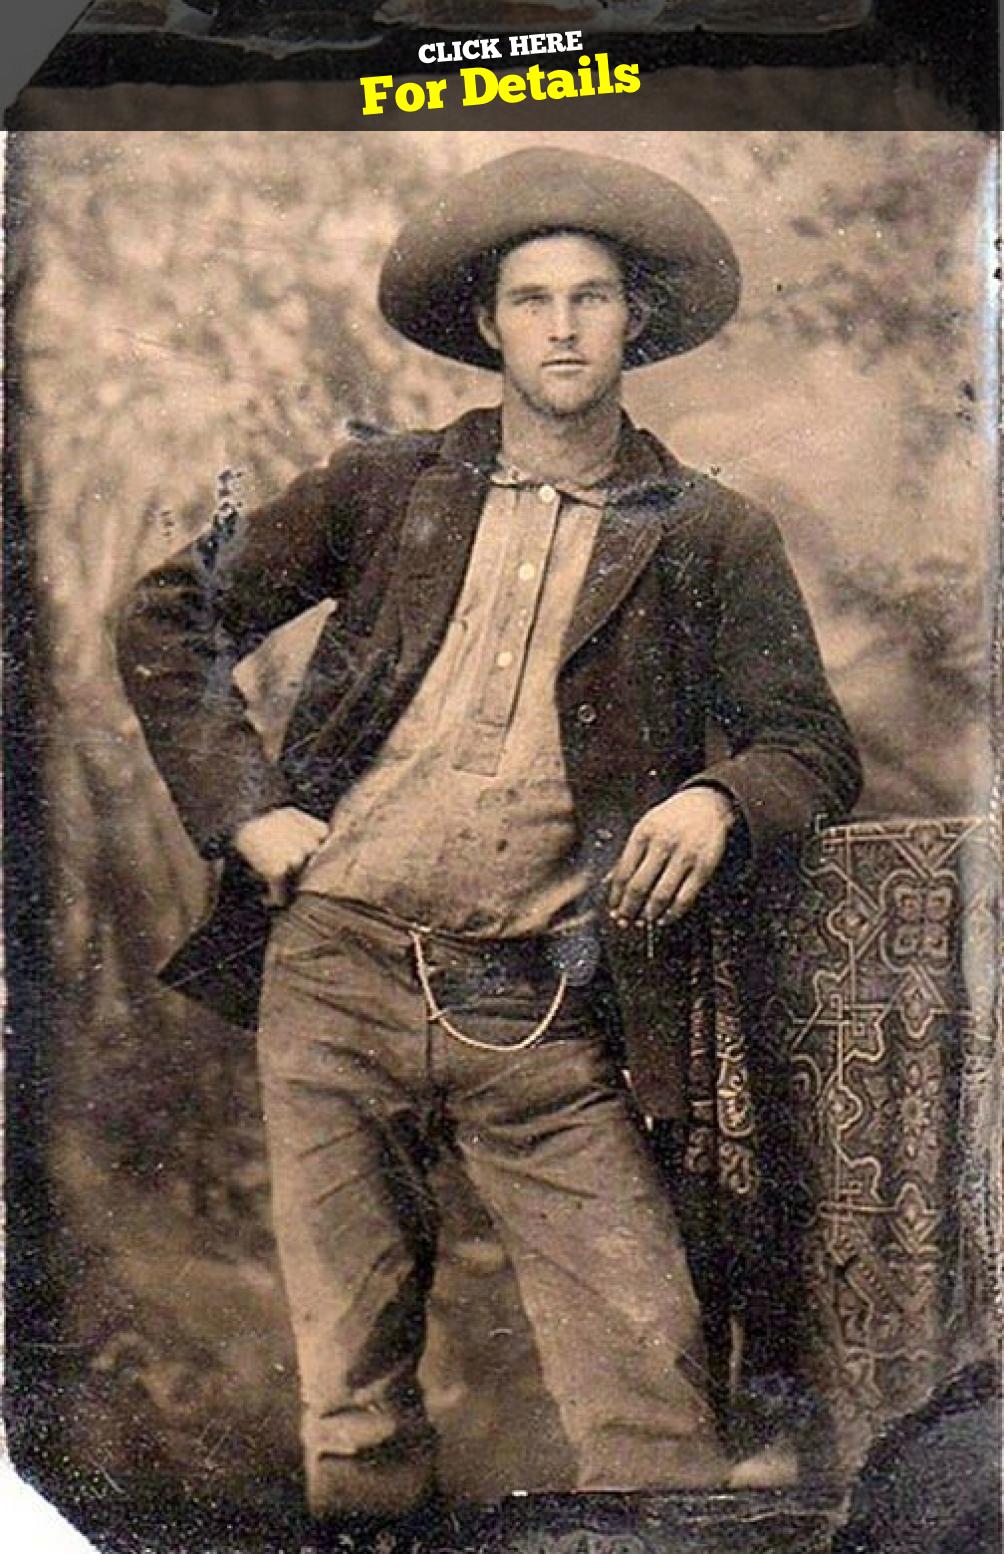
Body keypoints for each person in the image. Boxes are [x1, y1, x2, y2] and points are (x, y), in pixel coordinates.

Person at [116, 146, 861, 1523]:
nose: (564, 327)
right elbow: (170, 621)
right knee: (351, 1393)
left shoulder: (710, 532)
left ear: (639, 318)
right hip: (334, 974)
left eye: (591, 298)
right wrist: (247, 808)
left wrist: (719, 795)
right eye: (533, 300)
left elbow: (813, 749)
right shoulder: (386, 486)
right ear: (489, 324)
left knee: (652, 1383)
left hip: (547, 1014)